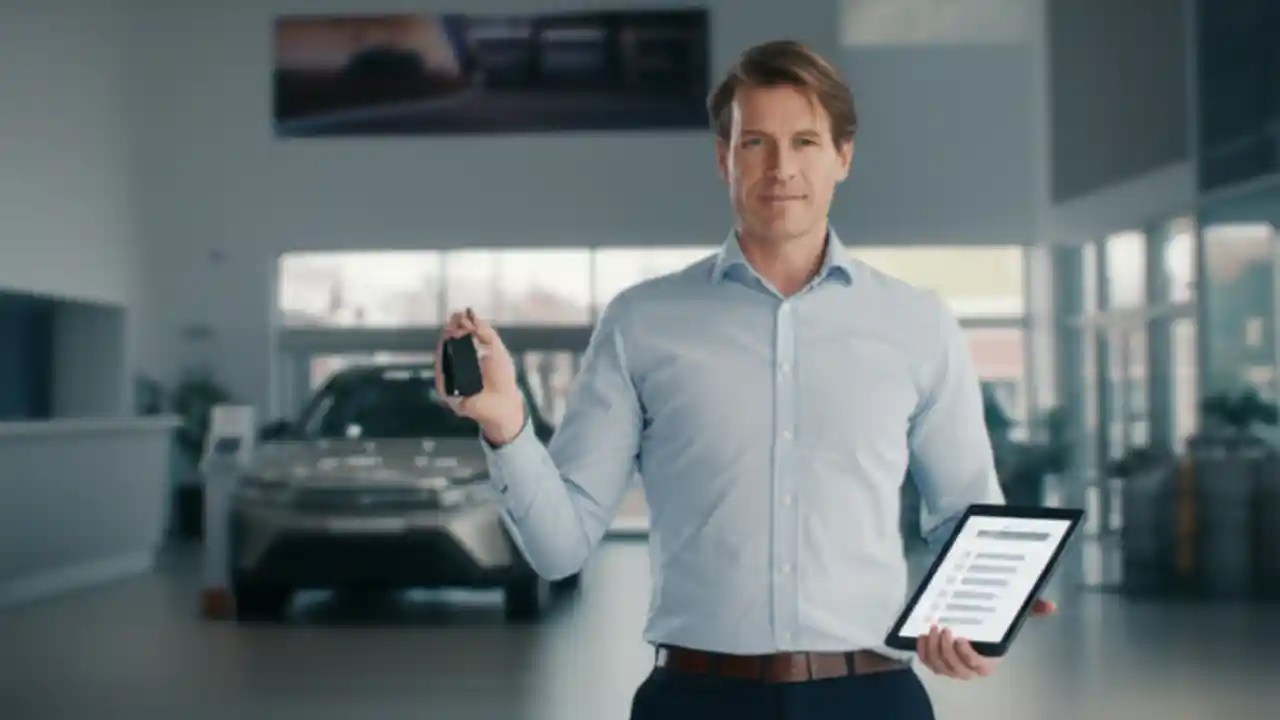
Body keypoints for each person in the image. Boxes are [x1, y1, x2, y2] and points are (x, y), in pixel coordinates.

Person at [436, 39, 1056, 720]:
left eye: (805, 141)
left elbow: (965, 514)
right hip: (694, 701)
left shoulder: (918, 324)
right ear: (723, 158)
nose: (781, 167)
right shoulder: (641, 322)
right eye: (755, 142)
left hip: (873, 698)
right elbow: (559, 549)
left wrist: (984, 617)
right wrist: (507, 427)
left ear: (843, 156)